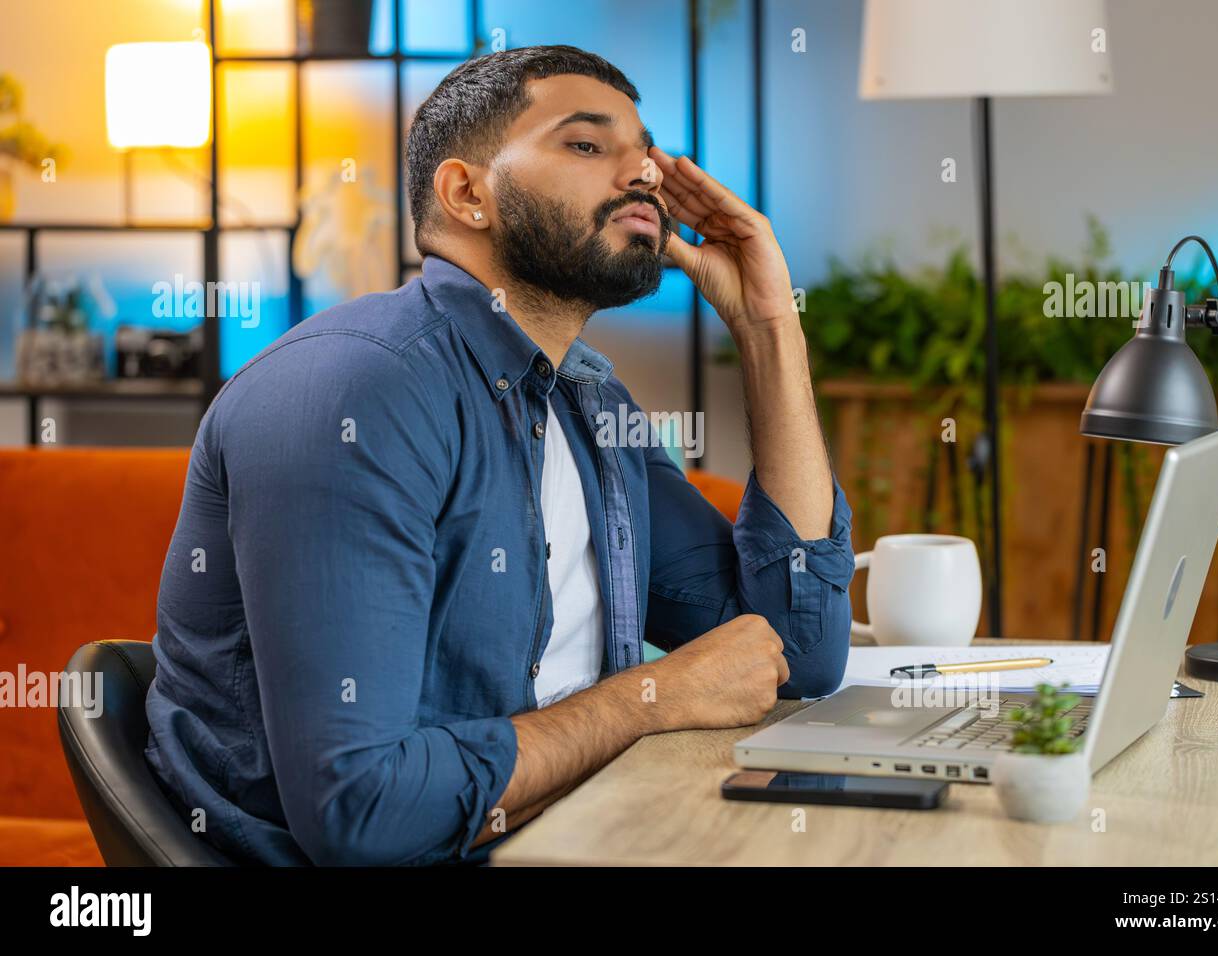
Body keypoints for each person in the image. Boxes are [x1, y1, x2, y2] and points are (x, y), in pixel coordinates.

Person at [146, 44, 854, 866]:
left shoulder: (589, 403)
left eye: (646, 155)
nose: (645, 177)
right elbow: (360, 814)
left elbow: (797, 652)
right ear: (466, 193)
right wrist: (650, 698)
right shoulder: (356, 391)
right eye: (588, 146)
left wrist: (769, 325)